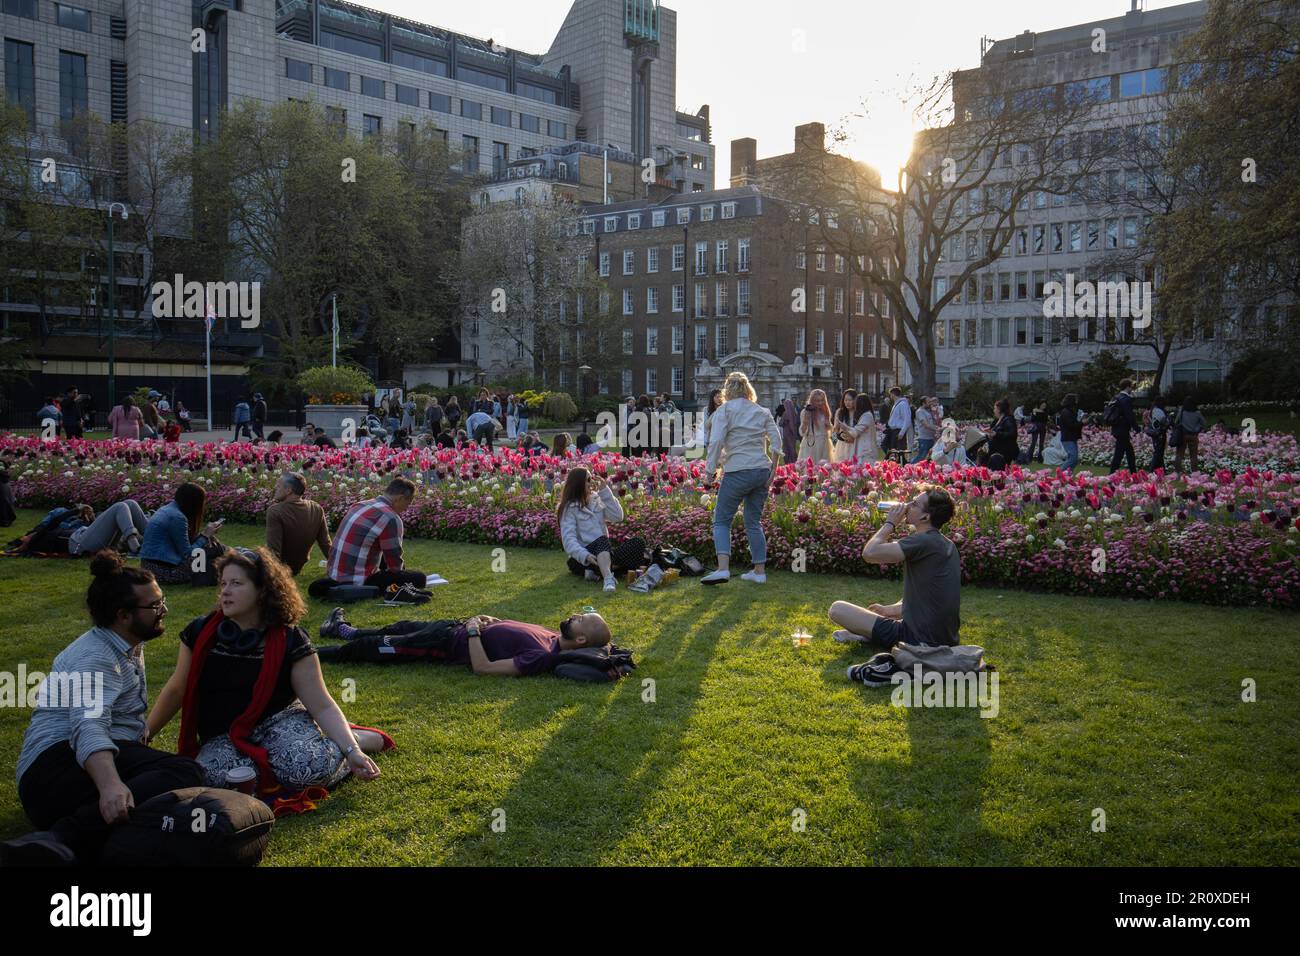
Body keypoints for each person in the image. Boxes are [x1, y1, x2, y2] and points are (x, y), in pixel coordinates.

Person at [2, 553, 204, 864]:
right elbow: (88, 724)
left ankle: (95, 833)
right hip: (52, 773)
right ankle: (60, 838)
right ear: (123, 615)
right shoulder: (96, 656)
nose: (164, 610)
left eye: (161, 601)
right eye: (154, 606)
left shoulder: (124, 641)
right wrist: (110, 785)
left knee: (167, 780)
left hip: (65, 770)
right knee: (182, 771)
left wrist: (140, 734)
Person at [145, 548, 385, 793]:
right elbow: (177, 689)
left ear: (262, 590)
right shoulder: (199, 632)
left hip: (279, 720)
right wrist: (145, 735)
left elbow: (321, 704)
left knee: (306, 772)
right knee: (217, 780)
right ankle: (288, 757)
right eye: (223, 583)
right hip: (223, 732)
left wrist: (352, 751)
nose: (225, 591)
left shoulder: (291, 640)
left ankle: (355, 739)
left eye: (236, 583)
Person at [830, 487, 962, 669]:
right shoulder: (947, 545)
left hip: (916, 640)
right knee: (875, 615)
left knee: (837, 609)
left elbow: (869, 553)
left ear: (925, 517)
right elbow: (927, 595)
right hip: (946, 639)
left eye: (914, 504)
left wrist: (890, 523)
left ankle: (868, 636)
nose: (907, 505)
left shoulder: (922, 541)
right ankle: (867, 634)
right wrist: (888, 610)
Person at [317, 610, 612, 678]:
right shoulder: (551, 636)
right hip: (451, 627)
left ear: (581, 638)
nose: (575, 615)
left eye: (580, 619)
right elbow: (508, 631)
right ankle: (341, 629)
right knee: (398, 626)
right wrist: (487, 619)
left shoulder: (542, 656)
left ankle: (310, 655)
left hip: (444, 643)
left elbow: (483, 668)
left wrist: (473, 632)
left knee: (373, 646)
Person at [701, 371, 783, 586]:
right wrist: (772, 472)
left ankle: (723, 569)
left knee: (721, 521)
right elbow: (776, 442)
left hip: (738, 470)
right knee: (753, 522)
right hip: (761, 471)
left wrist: (709, 472)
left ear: (727, 390)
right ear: (748, 390)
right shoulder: (761, 411)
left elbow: (716, 442)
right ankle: (759, 571)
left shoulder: (724, 410)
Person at [308, 477, 427, 597]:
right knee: (419, 578)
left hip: (333, 572)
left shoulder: (360, 505)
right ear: (400, 498)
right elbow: (394, 564)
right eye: (407, 503)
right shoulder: (391, 518)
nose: (406, 509)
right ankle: (352, 589)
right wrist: (401, 573)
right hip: (359, 579)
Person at [557, 466, 644, 592]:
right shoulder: (569, 508)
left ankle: (597, 572)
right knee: (601, 540)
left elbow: (618, 517)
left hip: (603, 552)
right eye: (588, 480)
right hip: (585, 556)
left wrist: (605, 492)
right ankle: (608, 578)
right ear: (578, 483)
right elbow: (568, 540)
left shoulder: (596, 499)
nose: (591, 482)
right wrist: (585, 556)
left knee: (638, 543)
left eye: (591, 478)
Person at [141, 482, 224, 584]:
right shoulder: (177, 517)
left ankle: (232, 554)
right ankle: (232, 558)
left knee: (209, 543)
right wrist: (205, 535)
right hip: (164, 571)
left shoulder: (166, 509)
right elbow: (188, 554)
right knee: (211, 548)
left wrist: (204, 535)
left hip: (149, 566)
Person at [265, 472, 332, 575]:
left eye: (278, 486)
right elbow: (325, 543)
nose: (275, 488)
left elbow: (273, 551)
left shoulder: (275, 511)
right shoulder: (316, 508)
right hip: (297, 567)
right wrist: (337, 566)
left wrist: (274, 576)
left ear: (288, 491)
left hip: (281, 569)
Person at [1107, 379, 1138, 474]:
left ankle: (1134, 473)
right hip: (1123, 429)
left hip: (1117, 428)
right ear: (1127, 387)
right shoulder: (1126, 399)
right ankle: (1112, 475)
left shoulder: (1116, 397)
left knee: (1129, 453)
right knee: (1119, 454)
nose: (1132, 389)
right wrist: (1136, 428)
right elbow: (1129, 415)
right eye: (1131, 387)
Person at [841, 393, 882, 463]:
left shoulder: (867, 416)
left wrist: (843, 426)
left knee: (865, 471)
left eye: (856, 403)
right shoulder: (865, 415)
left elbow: (856, 432)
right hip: (863, 449)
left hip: (866, 451)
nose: (854, 405)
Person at [1172, 396, 1207, 475]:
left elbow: (1176, 421)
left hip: (1183, 435)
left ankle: (1177, 471)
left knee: (1179, 454)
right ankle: (1194, 472)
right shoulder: (1197, 413)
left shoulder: (1182, 411)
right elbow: (1204, 424)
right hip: (1193, 435)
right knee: (1193, 455)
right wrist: (1198, 428)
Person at [797, 388, 833, 463]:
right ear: (812, 401)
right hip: (811, 444)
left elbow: (830, 431)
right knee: (810, 468)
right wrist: (805, 422)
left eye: (822, 400)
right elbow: (802, 432)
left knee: (824, 470)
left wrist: (829, 425)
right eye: (817, 401)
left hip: (824, 444)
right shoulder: (806, 412)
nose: (820, 403)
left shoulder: (825, 412)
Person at [983, 398, 1019, 470]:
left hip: (1004, 452)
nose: (994, 411)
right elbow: (993, 432)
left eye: (994, 408)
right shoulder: (996, 420)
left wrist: (996, 434)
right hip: (995, 451)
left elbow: (1012, 434)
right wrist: (989, 434)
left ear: (999, 409)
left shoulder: (1008, 419)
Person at [830, 388, 858, 463]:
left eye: (850, 400)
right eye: (845, 400)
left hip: (855, 443)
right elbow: (836, 429)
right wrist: (836, 428)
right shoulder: (840, 412)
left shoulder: (858, 413)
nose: (847, 402)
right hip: (843, 443)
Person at [1056, 393, 1083, 471]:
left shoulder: (1068, 411)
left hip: (1071, 437)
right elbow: (1071, 425)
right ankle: (1060, 473)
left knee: (1073, 459)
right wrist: (1082, 422)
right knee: (1073, 458)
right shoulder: (1066, 412)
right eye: (1075, 400)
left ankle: (1067, 475)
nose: (1077, 401)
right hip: (1068, 438)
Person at [910, 396, 940, 464]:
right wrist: (937, 428)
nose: (930, 403)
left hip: (931, 437)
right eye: (928, 402)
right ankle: (909, 467)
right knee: (921, 456)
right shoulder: (920, 411)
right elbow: (926, 424)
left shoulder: (929, 411)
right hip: (924, 438)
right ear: (923, 403)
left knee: (931, 456)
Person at [886, 387, 912, 458]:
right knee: (894, 453)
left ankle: (902, 467)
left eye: (890, 395)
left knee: (900, 453)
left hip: (898, 431)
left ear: (893, 394)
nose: (890, 396)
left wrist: (901, 432)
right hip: (894, 431)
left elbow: (907, 419)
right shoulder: (896, 404)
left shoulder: (902, 404)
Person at [1145, 395, 1169, 472]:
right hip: (1160, 433)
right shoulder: (1159, 411)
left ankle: (1162, 469)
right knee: (1158, 452)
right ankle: (1152, 470)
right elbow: (1163, 421)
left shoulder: (1153, 410)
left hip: (1155, 433)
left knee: (1159, 452)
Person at [779, 397, 800, 464]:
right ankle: (794, 460)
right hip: (793, 432)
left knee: (787, 448)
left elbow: (780, 423)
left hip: (787, 433)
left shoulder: (785, 413)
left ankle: (788, 462)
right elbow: (796, 422)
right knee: (792, 447)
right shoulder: (794, 412)